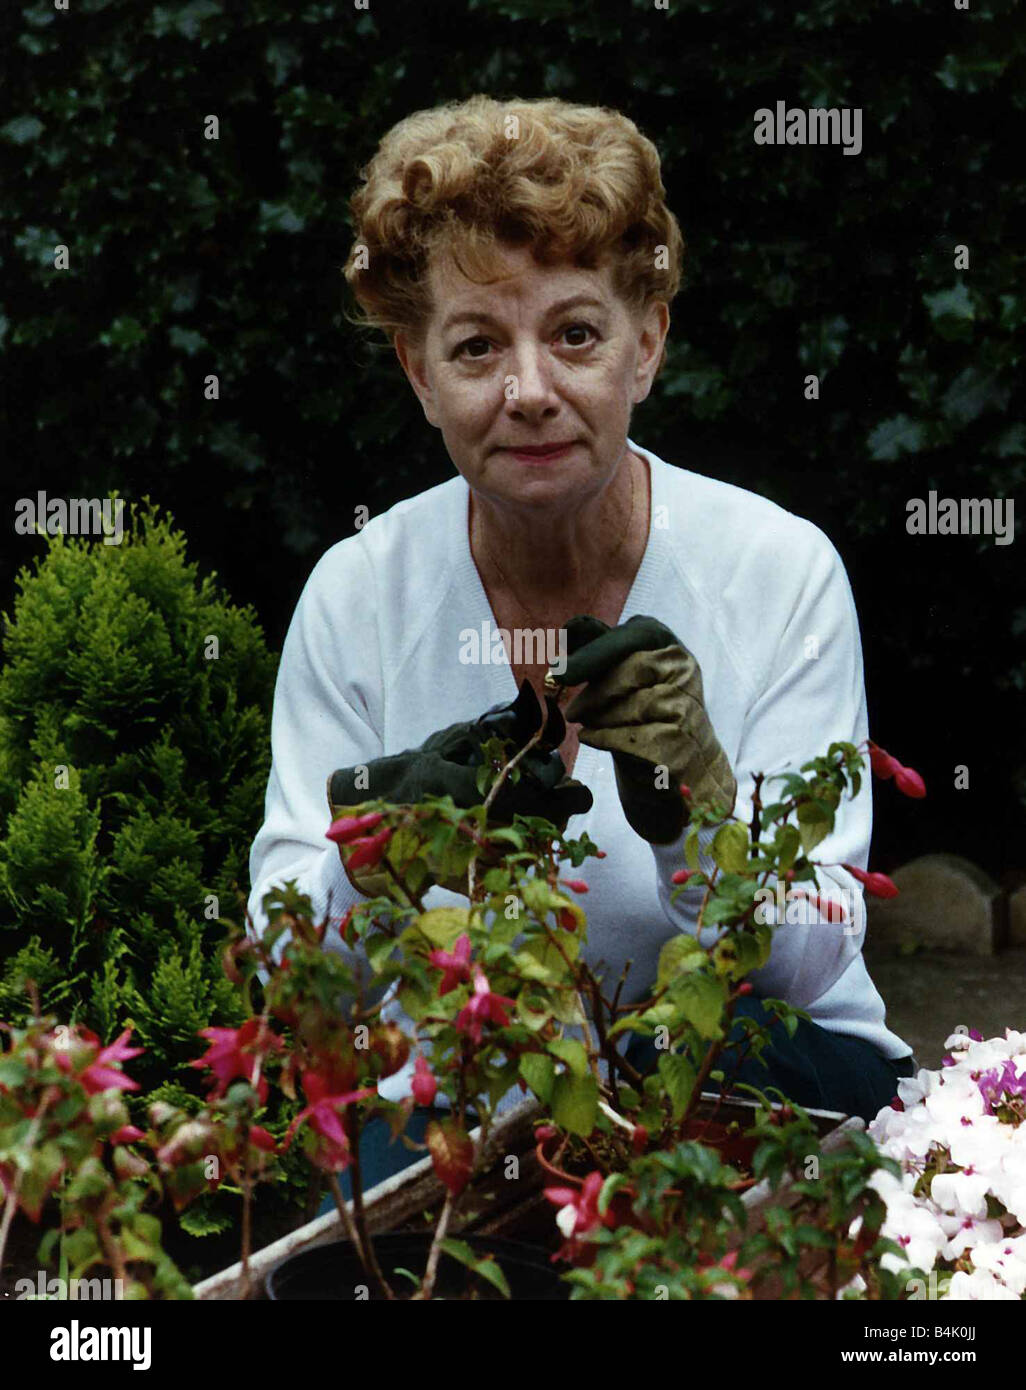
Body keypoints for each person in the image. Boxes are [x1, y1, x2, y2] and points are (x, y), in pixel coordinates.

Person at [247, 95, 915, 1200]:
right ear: (419, 373)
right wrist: (376, 858)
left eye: (574, 334)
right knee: (363, 1236)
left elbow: (809, 966)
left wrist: (700, 811)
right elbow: (291, 986)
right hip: (469, 1107)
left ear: (645, 346)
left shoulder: (777, 571)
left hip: (752, 1081)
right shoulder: (358, 596)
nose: (529, 393)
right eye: (476, 347)